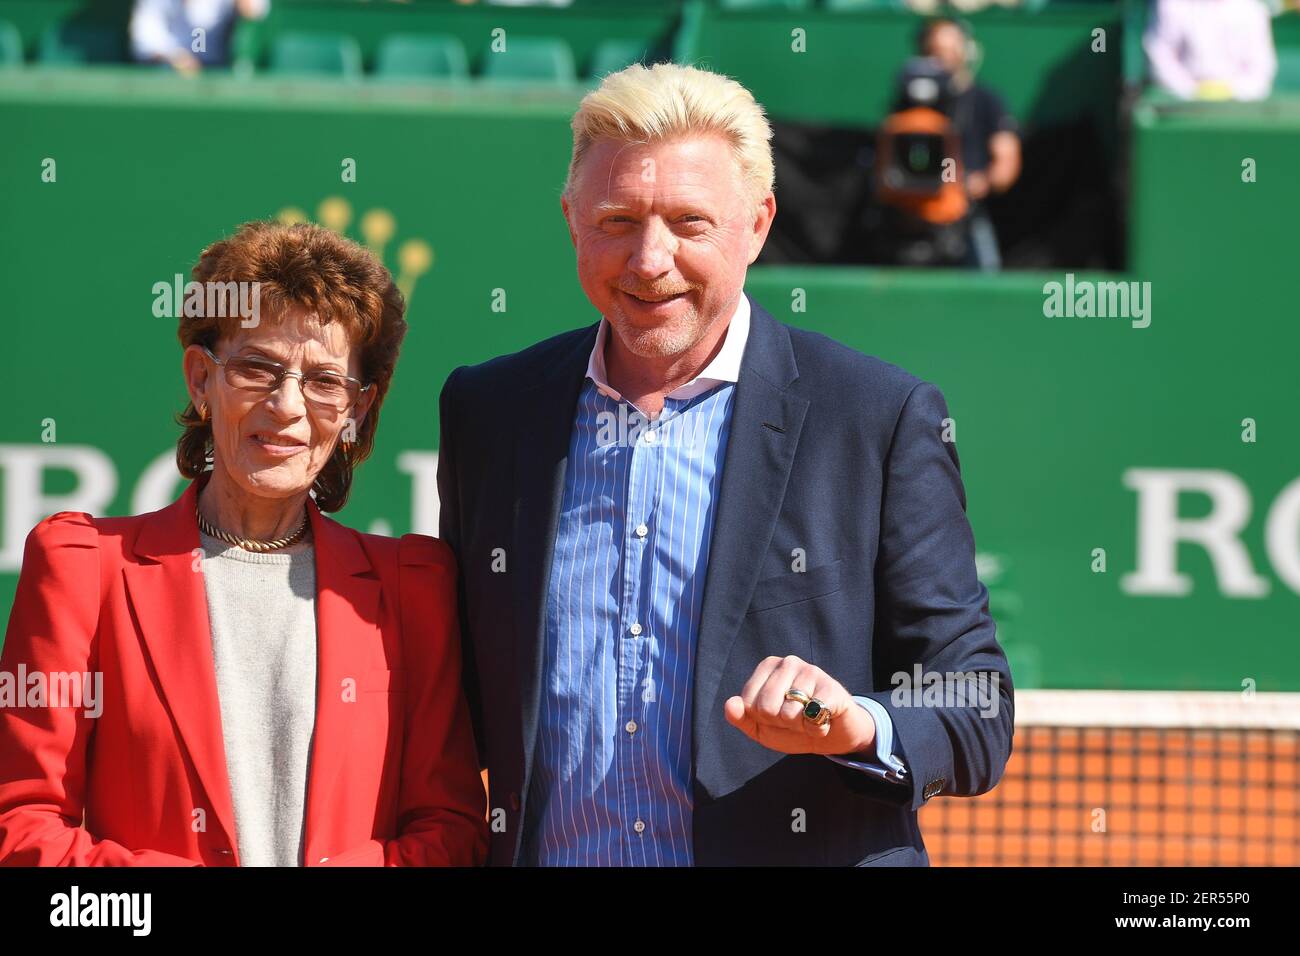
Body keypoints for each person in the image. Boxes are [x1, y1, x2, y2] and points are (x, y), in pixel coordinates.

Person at [437, 63, 1014, 866]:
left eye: (689, 221)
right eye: (617, 218)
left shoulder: (877, 417)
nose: (649, 258)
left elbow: (973, 700)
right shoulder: (489, 412)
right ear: (572, 220)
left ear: (758, 223)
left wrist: (856, 724)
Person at [0, 221, 488, 866]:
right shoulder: (81, 569)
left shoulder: (412, 588)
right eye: (259, 367)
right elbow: (22, 828)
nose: (287, 406)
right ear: (201, 379)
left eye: (324, 381)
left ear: (358, 410)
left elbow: (451, 833)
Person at [917, 16, 1021, 270]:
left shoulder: (987, 99)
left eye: (950, 51)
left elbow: (1006, 163)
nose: (944, 60)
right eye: (935, 53)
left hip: (966, 216)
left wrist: (977, 183)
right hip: (915, 217)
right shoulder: (913, 103)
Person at [1144, 0, 1277, 101]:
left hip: (1238, 109)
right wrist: (1192, 91)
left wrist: (1232, 91)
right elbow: (1160, 55)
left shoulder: (1252, 10)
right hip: (1180, 106)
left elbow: (1261, 70)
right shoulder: (1171, 4)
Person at [130, 0, 269, 75]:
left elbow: (255, 11)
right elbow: (144, 38)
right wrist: (177, 57)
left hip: (218, 69)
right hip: (169, 71)